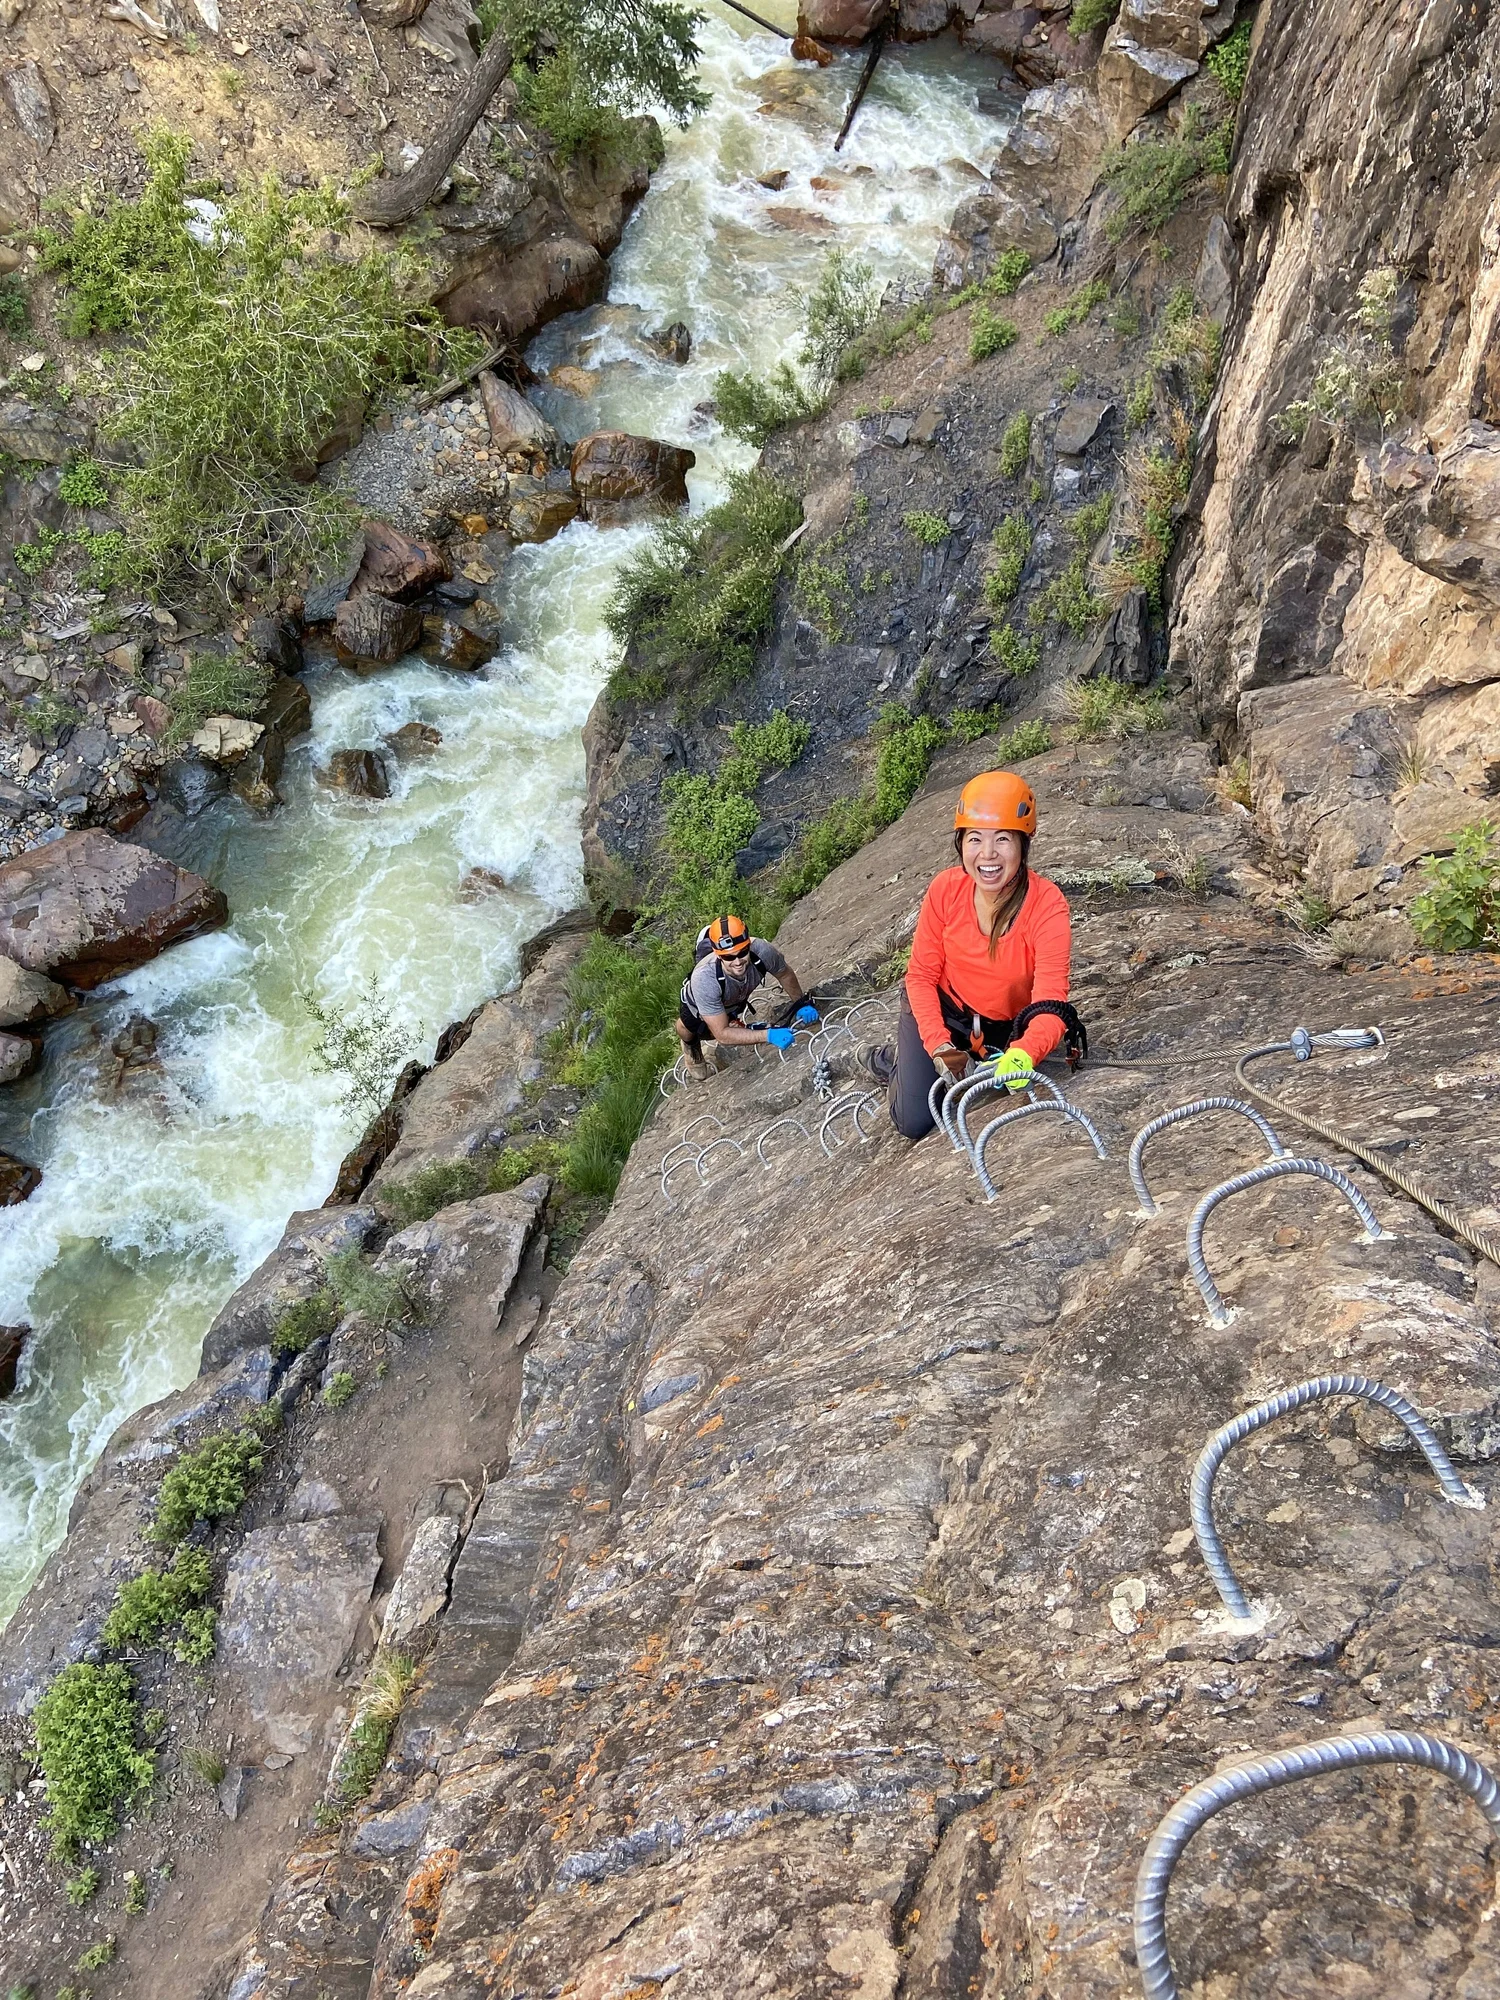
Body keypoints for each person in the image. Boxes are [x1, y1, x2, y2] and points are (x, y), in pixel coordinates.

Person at [867, 769, 1078, 1138]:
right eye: (975, 839)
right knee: (915, 1121)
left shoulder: (1046, 906)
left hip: (1000, 1028)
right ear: (961, 843)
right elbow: (920, 977)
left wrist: (1025, 1051)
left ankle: (917, 1060)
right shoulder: (946, 890)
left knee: (985, 1094)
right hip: (941, 1009)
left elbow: (1050, 1002)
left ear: (1023, 845)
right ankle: (888, 1060)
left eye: (1003, 839)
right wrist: (938, 1044)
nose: (988, 855)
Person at [675, 913, 819, 1081]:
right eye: (729, 957)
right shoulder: (704, 980)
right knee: (690, 1029)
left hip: (735, 999)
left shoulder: (763, 951)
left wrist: (800, 1003)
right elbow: (722, 1034)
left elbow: (784, 974)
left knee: (731, 1021)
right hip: (696, 1006)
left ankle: (729, 1017)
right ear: (718, 954)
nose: (737, 961)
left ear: (748, 945)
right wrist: (768, 1035)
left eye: (742, 953)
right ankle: (690, 1047)